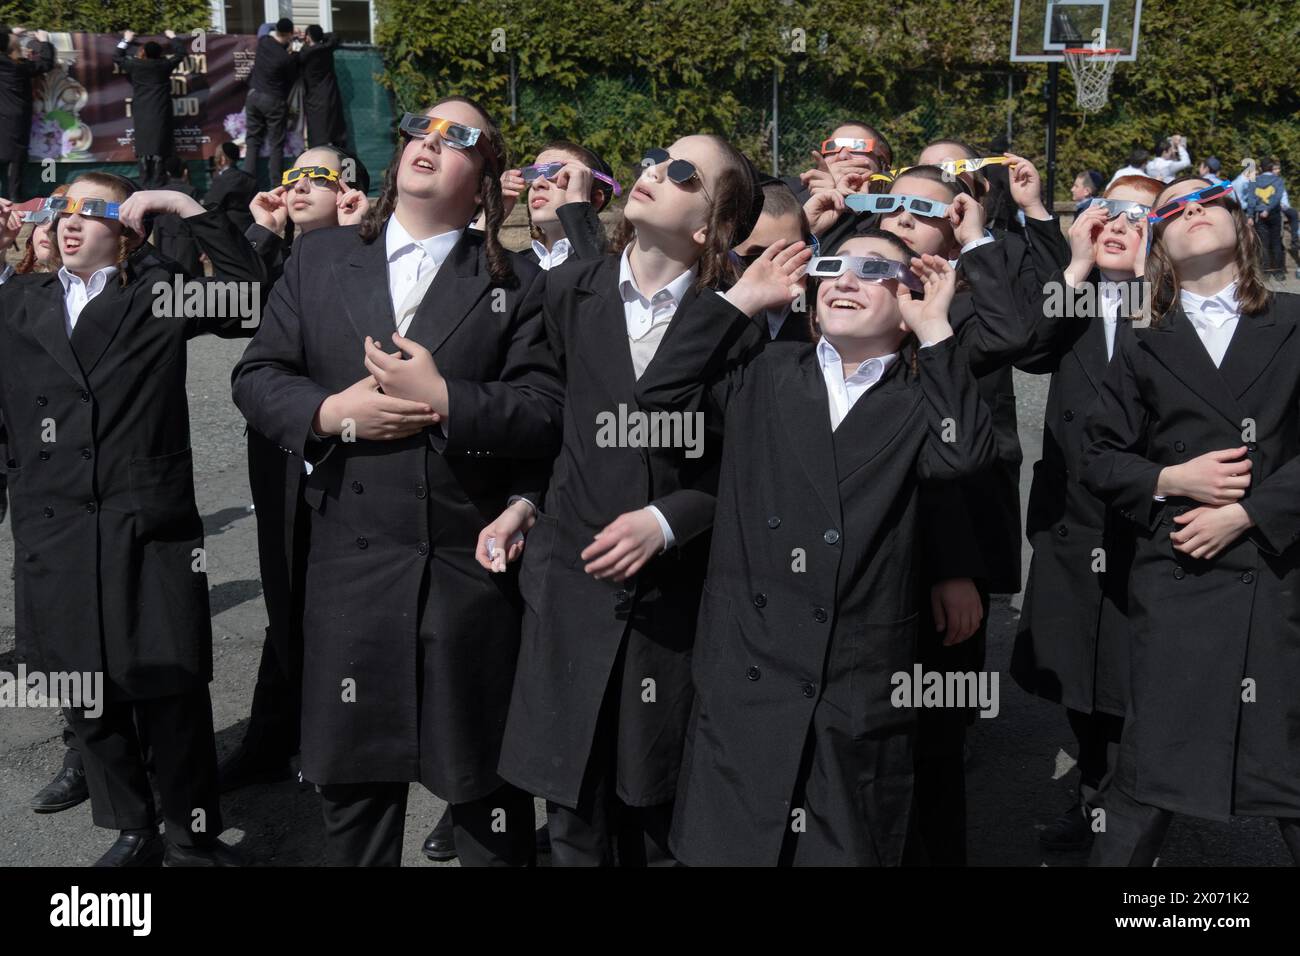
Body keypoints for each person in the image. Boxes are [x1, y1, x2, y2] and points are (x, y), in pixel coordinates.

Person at [232, 97, 563, 867]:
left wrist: (447, 399)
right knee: (352, 795)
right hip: (348, 565)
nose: (431, 142)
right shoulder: (318, 257)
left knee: (486, 792)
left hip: (468, 571)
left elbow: (545, 413)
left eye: (460, 137)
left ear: (485, 173)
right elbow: (257, 376)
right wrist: (328, 412)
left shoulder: (517, 280)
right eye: (422, 127)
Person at [634, 230, 996, 865]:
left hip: (856, 677)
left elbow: (964, 456)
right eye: (832, 267)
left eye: (874, 269)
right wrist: (741, 299)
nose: (845, 280)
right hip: (746, 668)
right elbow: (661, 397)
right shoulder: (764, 372)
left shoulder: (922, 393)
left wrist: (937, 333)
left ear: (911, 297)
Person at [495, 134, 774, 866]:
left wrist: (666, 520)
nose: (655, 171)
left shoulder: (741, 325)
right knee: (573, 816)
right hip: (569, 587)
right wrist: (523, 501)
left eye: (684, 173)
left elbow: (752, 468)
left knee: (656, 813)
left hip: (673, 609)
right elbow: (543, 418)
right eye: (656, 157)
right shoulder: (565, 291)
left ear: (710, 227)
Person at [0, 173, 267, 866]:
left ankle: (192, 834)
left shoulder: (156, 294)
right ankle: (132, 826)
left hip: (146, 525)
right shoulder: (16, 299)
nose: (70, 221)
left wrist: (185, 208)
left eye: (94, 211)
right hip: (53, 526)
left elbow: (249, 295)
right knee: (83, 691)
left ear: (125, 229)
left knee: (169, 687)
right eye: (61, 209)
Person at [1081, 175, 1300, 867]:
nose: (1192, 209)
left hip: (1280, 578)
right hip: (1178, 576)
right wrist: (1169, 478)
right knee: (1149, 774)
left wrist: (1247, 512)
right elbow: (1097, 453)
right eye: (1171, 209)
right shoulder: (1145, 341)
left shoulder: (1297, 322)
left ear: (1241, 224)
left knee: (1288, 764)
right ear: (1160, 246)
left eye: (1209, 198)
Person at [1012, 173, 1163, 853]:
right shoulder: (1075, 290)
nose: (1118, 223)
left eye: (1140, 215)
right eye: (1107, 208)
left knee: (1137, 677)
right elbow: (1031, 348)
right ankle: (1094, 795)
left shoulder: (1176, 305)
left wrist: (1150, 283)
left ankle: (1134, 815)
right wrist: (1074, 263)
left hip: (1143, 522)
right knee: (1078, 673)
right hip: (1070, 516)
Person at [219, 145, 368, 794]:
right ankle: (275, 735)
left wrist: (362, 229)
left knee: (339, 602)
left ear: (349, 191)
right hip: (279, 451)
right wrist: (260, 229)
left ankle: (335, 743)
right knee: (284, 591)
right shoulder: (275, 253)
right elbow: (230, 309)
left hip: (349, 451)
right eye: (291, 176)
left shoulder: (373, 252)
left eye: (318, 176)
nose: (299, 185)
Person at [113, 30, 188, 189]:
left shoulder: (135, 65)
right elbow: (181, 53)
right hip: (161, 113)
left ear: (144, 53)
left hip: (142, 114)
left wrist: (126, 40)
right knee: (160, 149)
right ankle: (160, 184)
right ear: (160, 53)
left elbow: (117, 56)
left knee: (144, 150)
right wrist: (173, 37)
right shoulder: (164, 65)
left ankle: (145, 185)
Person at [243, 19, 298, 189]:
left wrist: (280, 26)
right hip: (273, 100)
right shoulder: (286, 59)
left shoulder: (264, 41)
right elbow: (292, 78)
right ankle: (276, 185)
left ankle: (247, 185)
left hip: (253, 96)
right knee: (276, 145)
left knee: (252, 141)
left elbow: (263, 26)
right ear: (289, 34)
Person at [0, 27, 53, 200]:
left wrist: (10, 31)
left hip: (7, 117)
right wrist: (45, 42)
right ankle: (14, 200)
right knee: (16, 161)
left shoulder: (12, 64)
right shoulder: (19, 66)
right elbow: (45, 63)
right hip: (15, 119)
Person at [299, 26, 348, 152]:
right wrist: (320, 36)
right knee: (336, 132)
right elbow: (334, 36)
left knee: (317, 137)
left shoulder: (305, 53)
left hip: (313, 99)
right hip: (330, 95)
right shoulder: (327, 49)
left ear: (308, 37)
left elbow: (299, 58)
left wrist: (305, 41)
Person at [204, 140, 258, 234]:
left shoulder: (222, 179)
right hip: (250, 226)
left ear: (223, 159)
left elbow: (210, 206)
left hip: (229, 229)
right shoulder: (250, 179)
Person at [1245, 156, 1286, 278]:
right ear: (1271, 168)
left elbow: (1251, 199)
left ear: (1261, 168)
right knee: (1276, 241)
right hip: (1274, 214)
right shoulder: (1278, 180)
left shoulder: (1254, 181)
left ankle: (1266, 271)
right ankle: (1278, 272)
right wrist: (1268, 209)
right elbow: (1277, 197)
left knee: (1263, 243)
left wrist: (1250, 215)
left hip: (1259, 214)